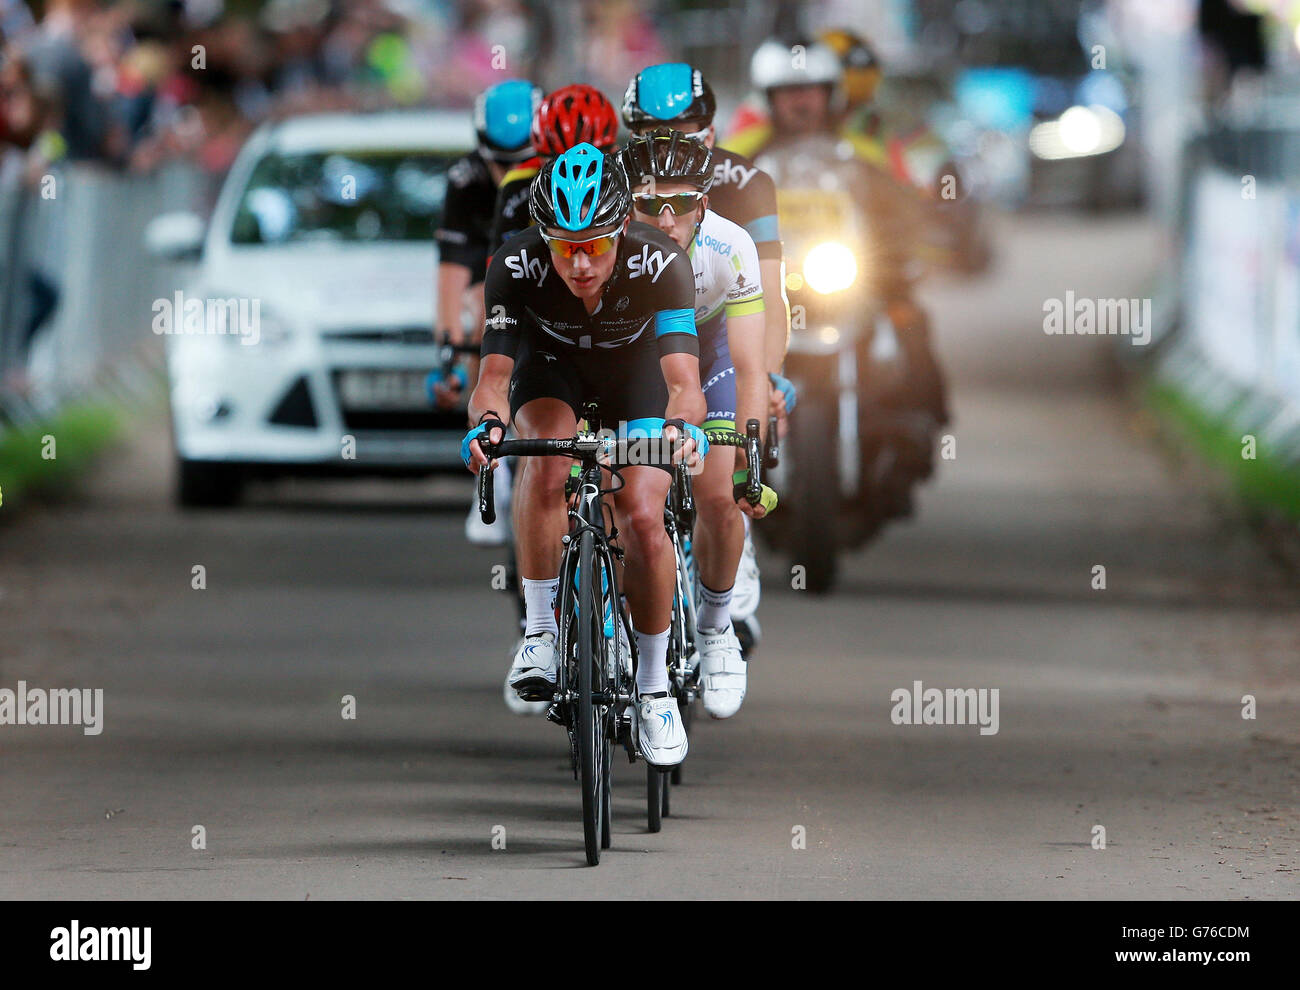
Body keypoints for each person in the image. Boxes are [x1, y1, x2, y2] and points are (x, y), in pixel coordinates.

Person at [464, 142, 707, 768]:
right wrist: (487, 427)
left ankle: (654, 689)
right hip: (553, 372)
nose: (578, 262)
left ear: (624, 227)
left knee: (645, 518)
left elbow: (683, 382)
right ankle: (541, 633)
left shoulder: (662, 262)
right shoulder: (515, 264)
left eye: (595, 244)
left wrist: (682, 428)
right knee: (545, 461)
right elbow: (492, 378)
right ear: (540, 235)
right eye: (563, 244)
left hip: (637, 379)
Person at [622, 60, 793, 650]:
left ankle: (724, 555)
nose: (667, 146)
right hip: (640, 340)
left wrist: (769, 381)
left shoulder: (746, 184)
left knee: (721, 484)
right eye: (648, 134)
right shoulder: (620, 184)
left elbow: (768, 296)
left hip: (721, 328)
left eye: (687, 132)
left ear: (712, 134)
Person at [725, 37, 950, 429]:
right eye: (789, 91)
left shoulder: (865, 154)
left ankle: (917, 429)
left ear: (830, 94)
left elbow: (905, 208)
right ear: (769, 98)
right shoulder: (738, 155)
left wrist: (914, 247)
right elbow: (707, 211)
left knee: (909, 319)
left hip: (851, 278)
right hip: (765, 286)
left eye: (811, 89)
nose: (801, 100)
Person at [621, 129, 770, 719]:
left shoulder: (730, 247)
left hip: (712, 356)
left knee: (717, 494)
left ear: (703, 206)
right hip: (638, 354)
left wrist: (751, 456)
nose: (665, 218)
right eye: (647, 204)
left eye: (680, 204)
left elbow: (752, 366)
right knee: (622, 496)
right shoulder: (610, 248)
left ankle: (714, 627)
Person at [434, 79, 540, 546]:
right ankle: (491, 468)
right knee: (482, 306)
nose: (507, 173)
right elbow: (451, 271)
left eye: (520, 163)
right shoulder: (465, 181)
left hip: (546, 260)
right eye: (498, 162)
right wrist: (447, 351)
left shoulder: (557, 170)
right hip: (488, 265)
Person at [486, 83, 618, 255]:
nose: (575, 178)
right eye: (559, 165)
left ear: (614, 153)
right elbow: (499, 270)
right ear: (538, 158)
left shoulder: (628, 179)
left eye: (589, 165)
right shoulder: (517, 183)